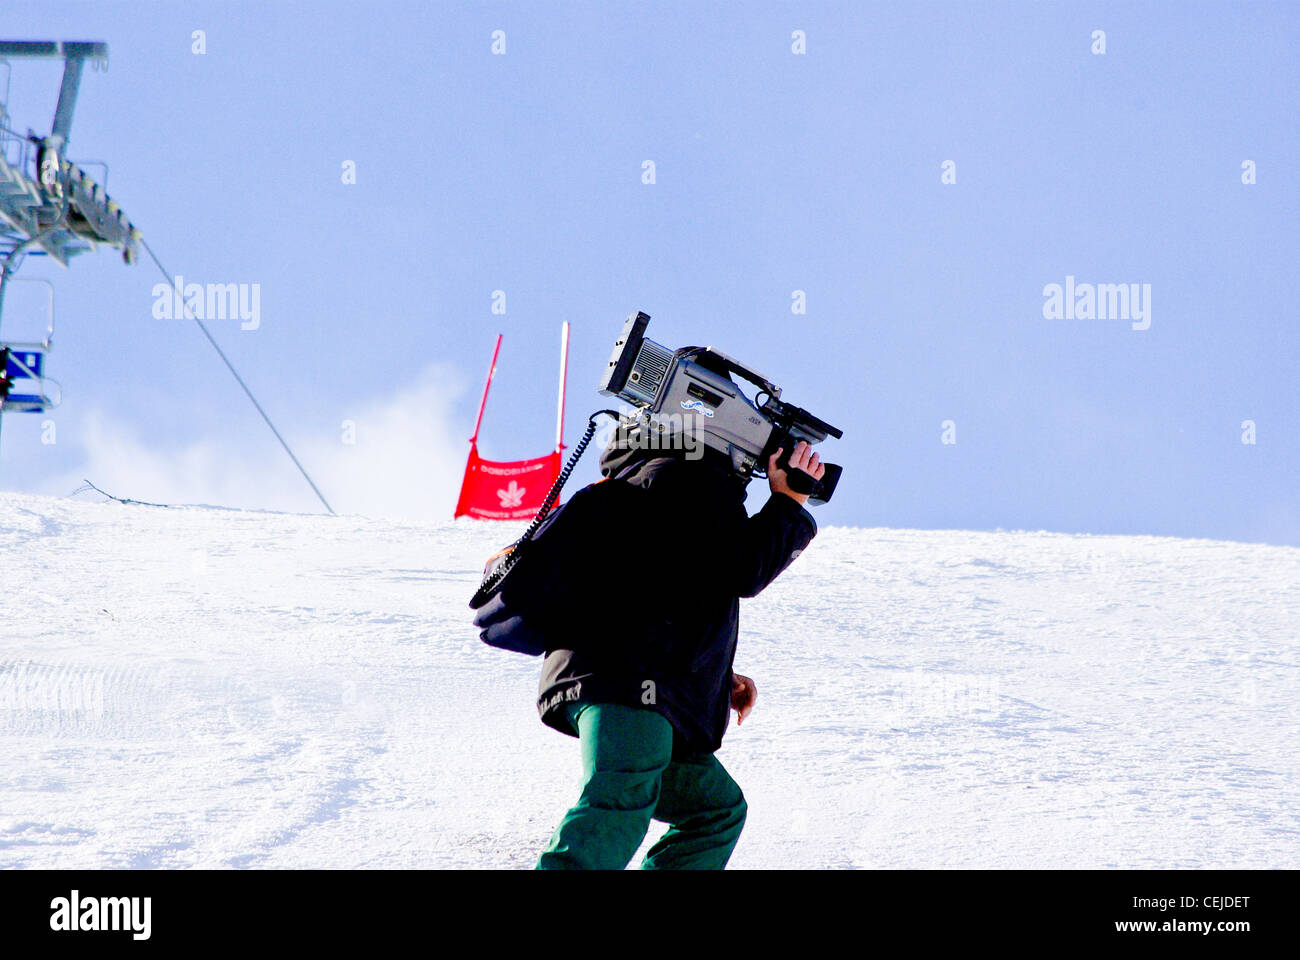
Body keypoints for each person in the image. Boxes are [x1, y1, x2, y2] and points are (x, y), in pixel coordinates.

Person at [514, 420, 823, 870]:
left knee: (714, 811)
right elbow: (744, 569)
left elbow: (663, 593)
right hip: (629, 684)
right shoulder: (688, 477)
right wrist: (788, 503)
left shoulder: (643, 481)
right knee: (618, 799)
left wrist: (718, 676)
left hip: (639, 684)